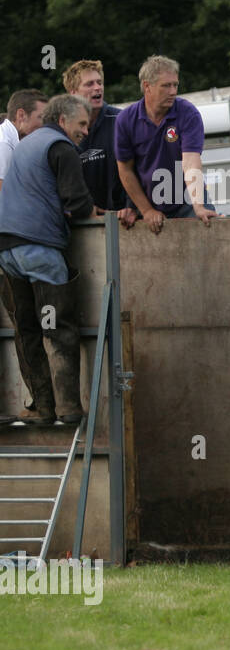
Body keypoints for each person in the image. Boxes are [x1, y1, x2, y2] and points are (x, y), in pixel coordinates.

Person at [0, 94, 95, 426]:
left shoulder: (27, 144)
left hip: (7, 250)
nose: (85, 130)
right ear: (63, 120)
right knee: (58, 326)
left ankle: (42, 408)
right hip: (39, 249)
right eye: (82, 123)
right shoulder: (60, 146)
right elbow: (78, 202)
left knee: (27, 330)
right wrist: (91, 209)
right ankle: (69, 407)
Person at [115, 55, 217, 232]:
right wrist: (146, 210)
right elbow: (125, 169)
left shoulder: (188, 113)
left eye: (175, 85)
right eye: (166, 86)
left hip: (187, 197)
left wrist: (198, 206)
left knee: (210, 230)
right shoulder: (126, 120)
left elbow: (191, 161)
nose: (173, 92)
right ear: (147, 86)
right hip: (148, 198)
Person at [62, 60, 125, 214]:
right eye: (89, 84)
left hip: (123, 219)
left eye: (99, 82)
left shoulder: (122, 121)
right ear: (73, 93)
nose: (97, 87)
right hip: (81, 219)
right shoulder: (62, 130)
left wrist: (131, 207)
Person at [0, 91, 49, 193]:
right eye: (41, 117)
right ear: (21, 115)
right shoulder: (3, 143)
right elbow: (3, 193)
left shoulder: (11, 139)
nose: (45, 124)